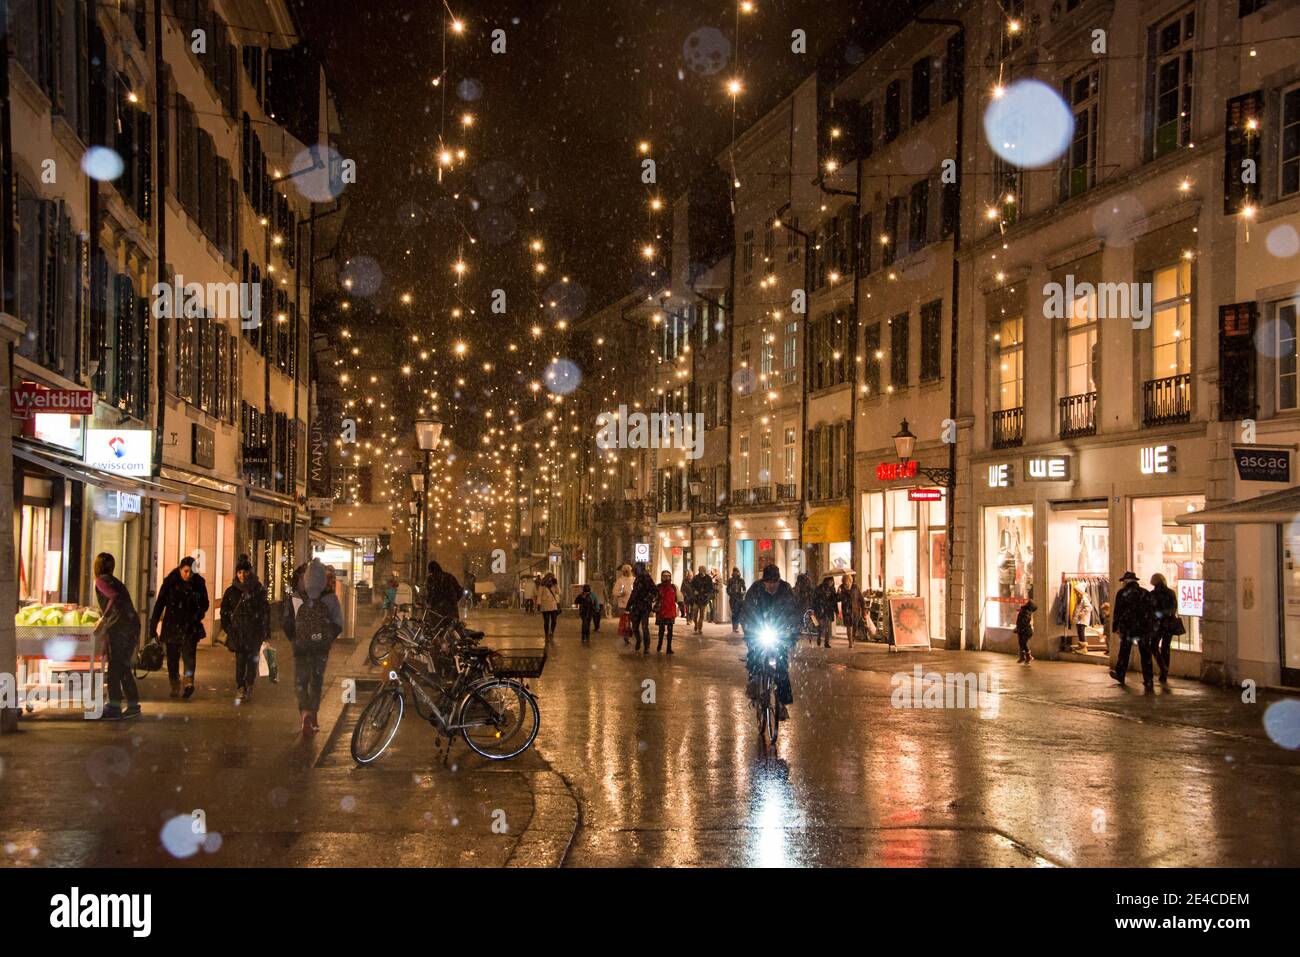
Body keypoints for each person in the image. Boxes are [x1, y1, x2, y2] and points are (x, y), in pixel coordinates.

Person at [282, 559, 344, 735]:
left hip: (300, 647)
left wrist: (295, 638)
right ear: (323, 579)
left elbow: (286, 622)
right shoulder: (330, 598)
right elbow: (338, 623)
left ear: (306, 578)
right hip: (320, 648)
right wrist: (327, 638)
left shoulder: (297, 596)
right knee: (316, 682)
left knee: (300, 682)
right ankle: (314, 714)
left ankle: (305, 713)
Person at [740, 565, 801, 719]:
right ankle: (754, 688)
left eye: (775, 582)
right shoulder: (755, 590)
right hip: (759, 630)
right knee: (754, 658)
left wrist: (791, 633)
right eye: (769, 582)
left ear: (779, 581)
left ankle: (781, 703)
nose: (772, 586)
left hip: (778, 633)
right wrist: (749, 632)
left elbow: (793, 613)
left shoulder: (786, 591)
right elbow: (747, 612)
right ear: (764, 581)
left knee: (781, 666)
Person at [150, 556, 210, 699]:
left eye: (191, 572)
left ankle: (188, 683)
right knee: (172, 658)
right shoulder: (170, 582)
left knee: (189, 656)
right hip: (172, 625)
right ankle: (175, 684)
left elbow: (205, 604)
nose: (188, 575)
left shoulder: (199, 583)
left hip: (190, 626)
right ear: (180, 569)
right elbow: (159, 604)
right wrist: (153, 626)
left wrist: (198, 614)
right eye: (185, 571)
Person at [92, 553, 142, 720]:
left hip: (120, 627)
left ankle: (114, 708)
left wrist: (103, 618)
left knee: (115, 667)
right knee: (123, 666)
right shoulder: (115, 581)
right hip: (131, 624)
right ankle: (132, 704)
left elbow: (113, 597)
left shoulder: (101, 581)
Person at [217, 555, 271, 701]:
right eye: (239, 572)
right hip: (238, 633)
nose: (242, 575)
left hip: (254, 632)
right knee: (240, 661)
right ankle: (240, 686)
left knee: (252, 661)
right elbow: (224, 610)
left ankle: (249, 684)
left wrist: (265, 631)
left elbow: (265, 611)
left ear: (250, 572)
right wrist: (228, 628)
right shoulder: (231, 591)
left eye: (245, 572)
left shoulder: (258, 590)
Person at [1110, 570, 1155, 690]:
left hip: (1128, 627)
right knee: (1145, 653)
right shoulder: (1145, 593)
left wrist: (1115, 626)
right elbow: (1151, 610)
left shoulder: (1122, 593)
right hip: (1143, 627)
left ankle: (1120, 674)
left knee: (1124, 651)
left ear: (1125, 582)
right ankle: (1148, 678)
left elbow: (1117, 611)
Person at [1150, 573, 1182, 684]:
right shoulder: (1171, 593)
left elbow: (1151, 611)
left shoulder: (1153, 594)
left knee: (1153, 646)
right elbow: (1173, 609)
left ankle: (1162, 667)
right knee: (1166, 647)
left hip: (1158, 625)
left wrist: (1157, 617)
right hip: (1169, 624)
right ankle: (1164, 672)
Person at [627, 562, 657, 653]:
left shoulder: (647, 578)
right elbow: (634, 593)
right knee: (635, 627)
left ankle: (646, 647)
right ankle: (639, 640)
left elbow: (654, 591)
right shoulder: (637, 579)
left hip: (644, 606)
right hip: (636, 606)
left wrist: (647, 598)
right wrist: (629, 604)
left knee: (644, 627)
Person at [655, 570, 679, 653]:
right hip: (662, 611)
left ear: (670, 577)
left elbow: (677, 598)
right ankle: (659, 645)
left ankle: (669, 647)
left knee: (670, 630)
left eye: (667, 576)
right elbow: (655, 597)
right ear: (662, 577)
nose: (666, 577)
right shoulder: (658, 587)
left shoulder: (673, 587)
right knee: (661, 630)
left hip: (670, 611)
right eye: (664, 576)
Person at [837, 573, 864, 646]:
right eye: (844, 581)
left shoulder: (855, 587)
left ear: (850, 580)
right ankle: (850, 642)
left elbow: (861, 599)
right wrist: (838, 593)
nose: (846, 582)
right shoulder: (841, 588)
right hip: (846, 610)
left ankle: (853, 638)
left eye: (847, 581)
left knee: (855, 625)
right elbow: (837, 599)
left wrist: (863, 610)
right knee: (849, 626)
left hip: (855, 610)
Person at [813, 574, 838, 648]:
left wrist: (838, 595)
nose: (832, 583)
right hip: (821, 609)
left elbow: (834, 600)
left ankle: (826, 642)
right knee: (820, 626)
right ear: (827, 581)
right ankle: (819, 637)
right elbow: (815, 598)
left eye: (832, 581)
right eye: (831, 581)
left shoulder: (832, 589)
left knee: (827, 626)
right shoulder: (820, 588)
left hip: (828, 610)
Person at [689, 566, 714, 635]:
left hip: (704, 599)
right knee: (695, 614)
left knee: (702, 615)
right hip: (696, 599)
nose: (702, 571)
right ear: (699, 570)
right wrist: (694, 591)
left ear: (705, 570)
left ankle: (700, 628)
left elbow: (711, 588)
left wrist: (707, 594)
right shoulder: (696, 578)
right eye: (700, 569)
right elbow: (691, 586)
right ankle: (695, 624)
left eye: (703, 569)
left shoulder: (708, 578)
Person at [1071, 581, 1094, 652]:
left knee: (1081, 632)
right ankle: (1081, 646)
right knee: (1080, 632)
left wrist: (1082, 613)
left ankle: (1084, 648)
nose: (1076, 593)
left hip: (1082, 619)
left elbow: (1089, 607)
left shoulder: (1084, 599)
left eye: (1077, 591)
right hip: (1079, 619)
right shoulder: (1079, 599)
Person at [537, 573, 561, 641]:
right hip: (545, 605)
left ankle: (552, 632)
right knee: (546, 621)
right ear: (547, 578)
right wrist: (538, 604)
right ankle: (546, 635)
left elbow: (559, 592)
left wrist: (556, 584)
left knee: (554, 620)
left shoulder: (554, 584)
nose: (551, 579)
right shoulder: (542, 585)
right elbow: (539, 595)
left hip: (553, 605)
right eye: (550, 577)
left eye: (552, 577)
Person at [1015, 597, 1037, 663]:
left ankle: (1027, 657)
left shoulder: (1025, 611)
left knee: (1023, 643)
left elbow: (1023, 621)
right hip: (1023, 629)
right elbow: (1022, 621)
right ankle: (1023, 657)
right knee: (1021, 643)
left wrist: (1019, 627)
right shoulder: (1025, 611)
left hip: (1025, 630)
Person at [726, 569, 746, 634]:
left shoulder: (741, 580)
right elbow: (727, 589)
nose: (735, 573)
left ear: (738, 572)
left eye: (737, 572)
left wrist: (743, 592)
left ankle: (736, 627)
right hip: (732, 598)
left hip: (739, 598)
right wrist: (730, 593)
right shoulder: (730, 580)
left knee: (738, 613)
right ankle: (734, 627)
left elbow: (744, 588)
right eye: (734, 572)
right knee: (734, 613)